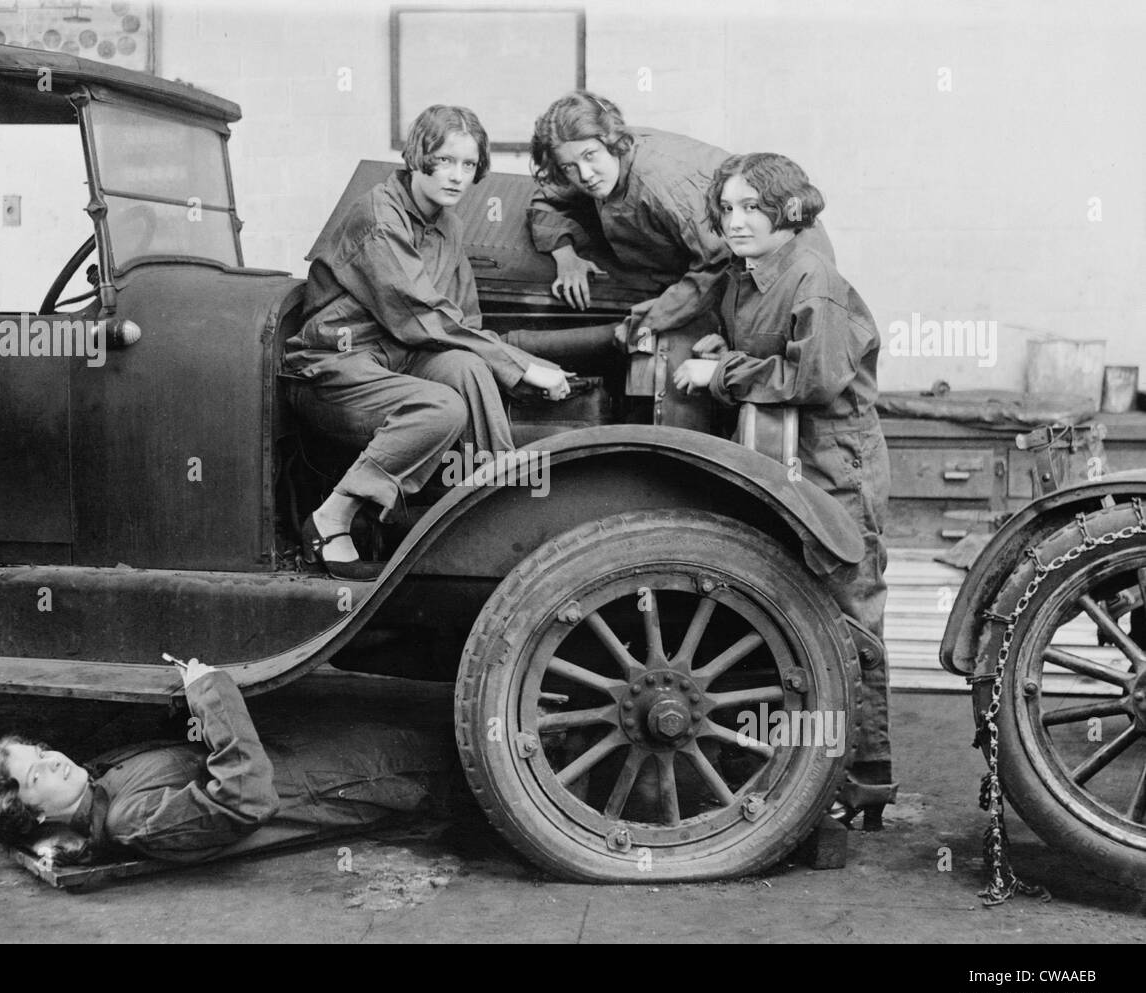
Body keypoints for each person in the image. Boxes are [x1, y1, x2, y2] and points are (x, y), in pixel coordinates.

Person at [671, 153, 895, 829]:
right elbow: (744, 338)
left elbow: (816, 380)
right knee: (791, 606)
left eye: (751, 209)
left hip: (837, 459)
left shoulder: (811, 279)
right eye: (728, 209)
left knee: (849, 608)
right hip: (783, 455)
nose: (735, 222)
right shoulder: (745, 278)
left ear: (788, 212)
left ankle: (867, 777)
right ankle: (807, 772)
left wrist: (719, 374)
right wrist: (718, 343)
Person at [283, 105, 572, 580]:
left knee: (467, 367)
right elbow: (417, 313)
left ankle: (494, 509)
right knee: (441, 408)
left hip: (398, 359)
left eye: (468, 164)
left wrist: (512, 365)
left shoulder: (448, 224)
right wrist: (521, 365)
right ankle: (331, 517)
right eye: (445, 160)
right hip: (333, 366)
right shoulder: (379, 215)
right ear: (417, 157)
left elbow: (463, 321)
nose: (458, 176)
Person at [527, 91, 832, 430]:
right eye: (570, 166)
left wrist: (650, 320)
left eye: (590, 156)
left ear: (612, 142)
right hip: (723, 266)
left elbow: (716, 262)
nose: (584, 174)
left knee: (774, 380)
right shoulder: (592, 162)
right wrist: (565, 255)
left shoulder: (661, 180)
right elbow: (545, 198)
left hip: (778, 259)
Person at [0, 659, 455, 866]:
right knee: (453, 755)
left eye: (43, 753)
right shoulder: (128, 820)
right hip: (352, 781)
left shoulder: (98, 782)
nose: (54, 762)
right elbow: (245, 800)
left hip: (316, 758)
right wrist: (209, 691)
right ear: (36, 815)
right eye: (36, 774)